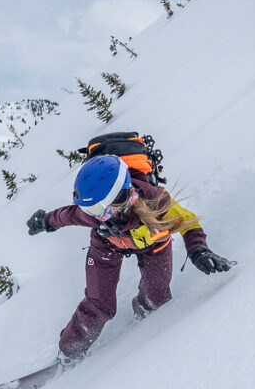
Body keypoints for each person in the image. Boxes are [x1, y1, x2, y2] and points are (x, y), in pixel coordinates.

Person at [26, 154, 231, 364]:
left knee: (157, 297)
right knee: (98, 305)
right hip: (107, 244)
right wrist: (46, 221)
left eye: (97, 208)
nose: (93, 215)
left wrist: (198, 250)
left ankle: (147, 324)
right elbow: (70, 215)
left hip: (154, 244)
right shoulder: (96, 215)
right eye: (90, 209)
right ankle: (69, 353)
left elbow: (188, 221)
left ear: (121, 197)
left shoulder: (156, 202)